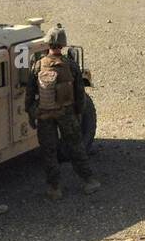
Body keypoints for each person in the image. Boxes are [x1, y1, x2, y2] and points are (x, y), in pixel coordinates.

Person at [24, 25, 99, 200]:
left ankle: (54, 188)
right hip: (66, 113)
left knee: (49, 151)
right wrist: (78, 113)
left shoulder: (37, 66)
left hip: (45, 114)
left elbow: (29, 94)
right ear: (63, 45)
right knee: (75, 147)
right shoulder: (70, 65)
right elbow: (80, 93)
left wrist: (31, 114)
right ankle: (89, 181)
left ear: (48, 44)